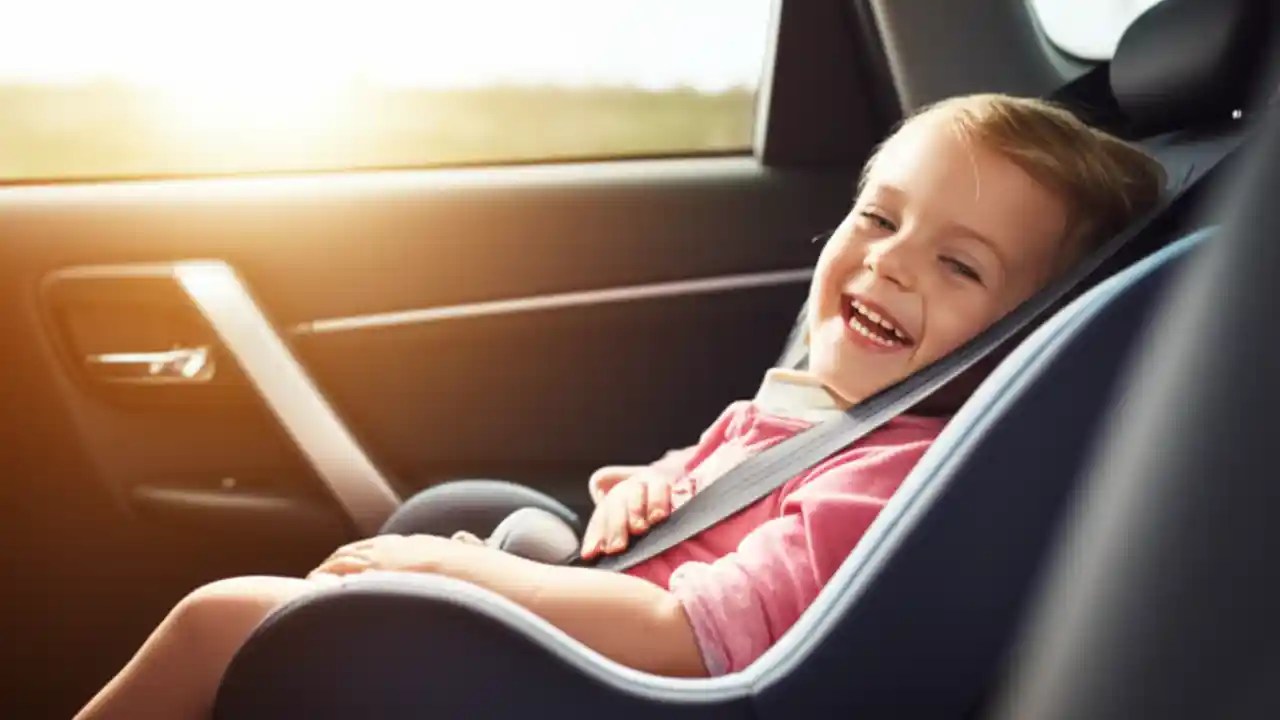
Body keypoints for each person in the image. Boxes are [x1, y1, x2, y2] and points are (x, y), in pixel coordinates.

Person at [74, 94, 1164, 719]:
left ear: (1031, 331)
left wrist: (464, 574)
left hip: (624, 691)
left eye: (959, 265)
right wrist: (646, 489)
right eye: (877, 218)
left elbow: (685, 635)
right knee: (458, 507)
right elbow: (706, 502)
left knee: (223, 617)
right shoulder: (811, 415)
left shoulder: (886, 479)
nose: (889, 262)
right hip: (596, 642)